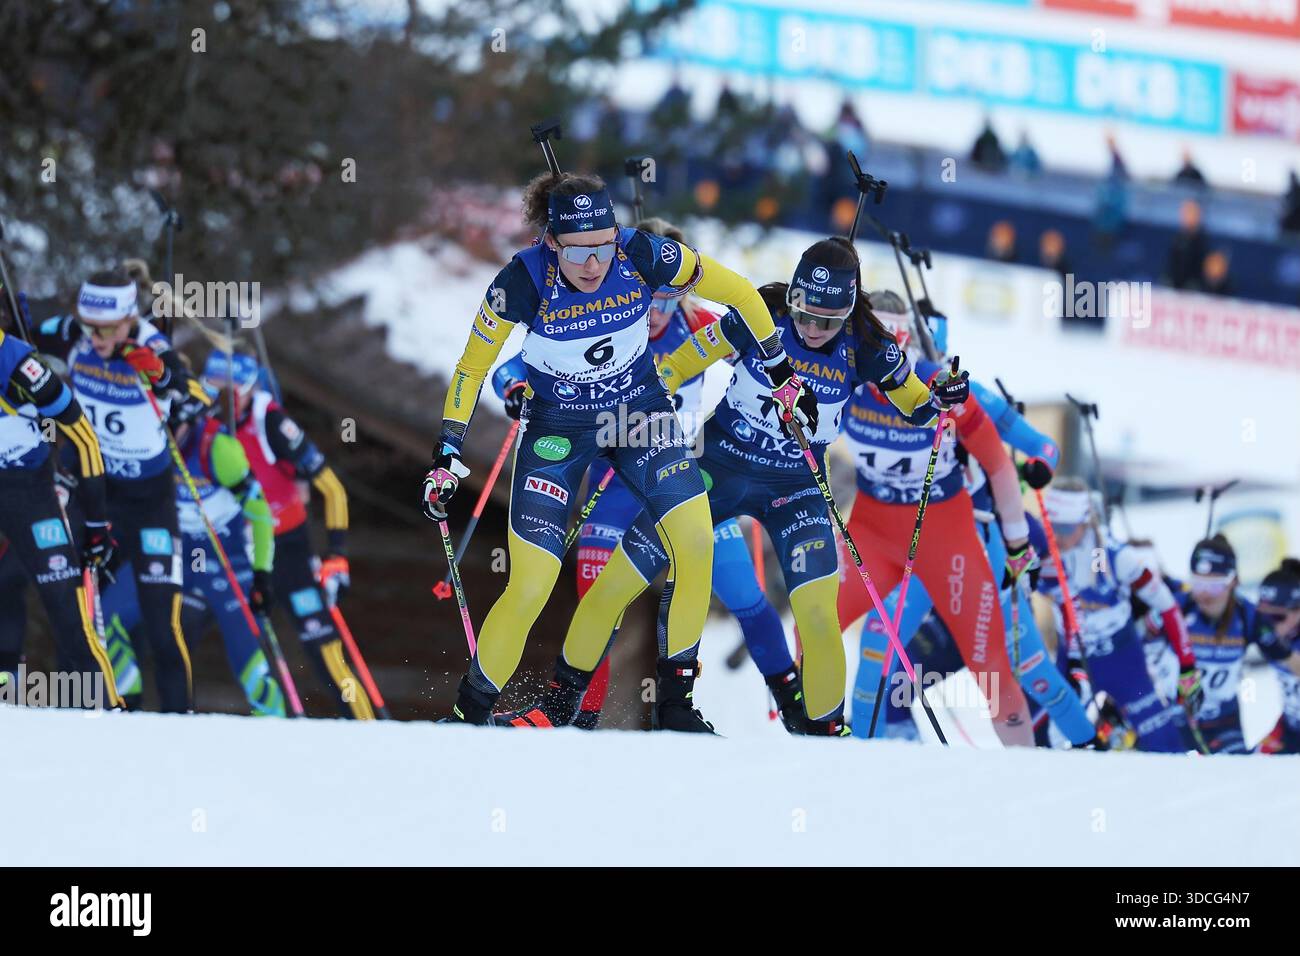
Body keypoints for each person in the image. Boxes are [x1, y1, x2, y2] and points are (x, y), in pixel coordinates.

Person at [508, 237, 967, 735]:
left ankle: (827, 734)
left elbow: (918, 407)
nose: (812, 329)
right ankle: (562, 704)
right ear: (791, 298)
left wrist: (941, 396)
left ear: (849, 312)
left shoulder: (868, 344)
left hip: (798, 488)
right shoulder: (757, 316)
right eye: (804, 315)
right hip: (715, 469)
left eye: (827, 321)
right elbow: (681, 363)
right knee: (617, 583)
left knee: (816, 614)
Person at [424, 170, 790, 730]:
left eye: (604, 246)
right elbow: (474, 366)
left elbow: (741, 292)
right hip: (560, 428)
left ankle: (674, 707)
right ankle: (468, 713)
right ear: (551, 243)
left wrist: (781, 370)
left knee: (695, 544)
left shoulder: (645, 255)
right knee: (533, 580)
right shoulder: (520, 281)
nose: (594, 264)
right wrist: (449, 449)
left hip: (639, 414)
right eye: (578, 253)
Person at [35, 271, 211, 712]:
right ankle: (79, 713)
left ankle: (180, 721)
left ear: (129, 318)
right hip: (95, 495)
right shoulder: (77, 336)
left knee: (163, 626)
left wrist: (158, 373)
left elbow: (178, 380)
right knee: (75, 613)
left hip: (150, 503)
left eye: (107, 328)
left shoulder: (149, 345)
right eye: (90, 325)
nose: (96, 336)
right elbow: (27, 326)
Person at [200, 349, 373, 719]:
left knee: (322, 646)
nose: (223, 402)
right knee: (242, 647)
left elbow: (332, 488)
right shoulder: (201, 426)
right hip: (237, 551)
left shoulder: (271, 423)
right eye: (214, 391)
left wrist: (336, 555)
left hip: (287, 548)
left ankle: (366, 728)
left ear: (248, 390)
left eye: (231, 392)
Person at [99, 402, 285, 716]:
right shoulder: (146, 442)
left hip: (221, 554)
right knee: (105, 615)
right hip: (171, 549)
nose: (167, 437)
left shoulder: (218, 449)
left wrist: (262, 574)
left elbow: (261, 513)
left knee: (245, 649)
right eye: (160, 427)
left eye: (173, 428)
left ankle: (274, 722)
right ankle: (126, 704)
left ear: (188, 422)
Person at [0, 322, 119, 705]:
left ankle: (101, 707)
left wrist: (98, 523)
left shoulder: (19, 365)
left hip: (26, 490)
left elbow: (83, 436)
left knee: (65, 605)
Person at [1034, 479, 1194, 752]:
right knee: (1044, 738)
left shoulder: (1116, 556)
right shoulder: (1042, 550)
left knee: (1163, 744)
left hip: (1122, 660)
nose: (1056, 537)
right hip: (1074, 658)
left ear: (1085, 523)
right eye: (1050, 527)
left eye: (1065, 528)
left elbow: (1166, 604)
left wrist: (1187, 663)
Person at [1159, 537, 1300, 754]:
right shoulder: (1177, 607)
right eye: (1198, 584)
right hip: (1174, 718)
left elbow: (1290, 661)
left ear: (1232, 581)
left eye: (1214, 586)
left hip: (1222, 723)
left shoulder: (1249, 617)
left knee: (1235, 774)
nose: (1204, 594)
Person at [1254, 558, 1300, 754]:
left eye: (1278, 617)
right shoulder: (1266, 632)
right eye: (1265, 617)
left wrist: (1287, 656)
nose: (1271, 625)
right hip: (1290, 727)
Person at [1165, 200, 1208, 291]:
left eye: (1191, 213)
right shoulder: (1176, 238)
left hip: (1193, 291)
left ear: (1198, 216)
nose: (1187, 217)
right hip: (1173, 288)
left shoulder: (1203, 242)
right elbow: (1169, 267)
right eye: (1185, 213)